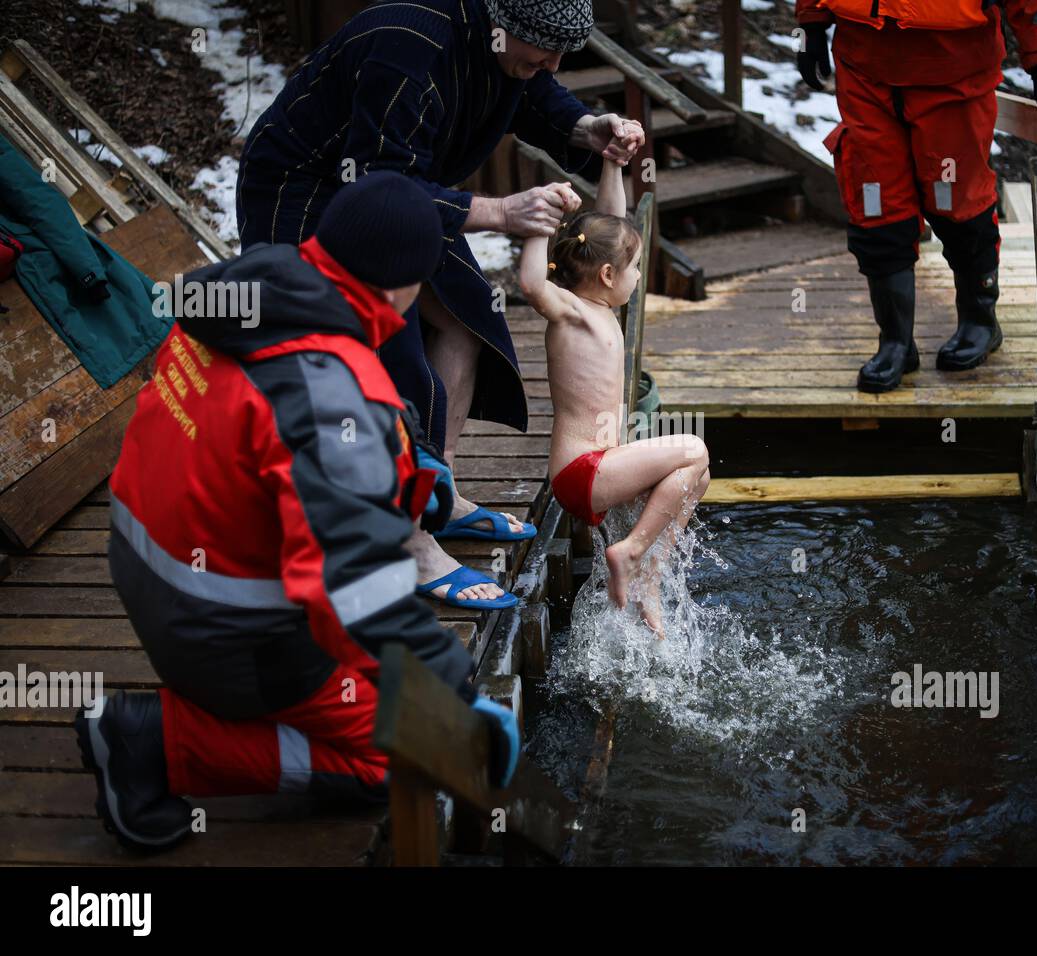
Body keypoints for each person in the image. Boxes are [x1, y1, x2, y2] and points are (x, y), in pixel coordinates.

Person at [76, 174, 519, 851]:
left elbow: (262, 440)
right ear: (405, 289)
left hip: (151, 572)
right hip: (228, 631)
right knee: (406, 750)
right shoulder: (336, 389)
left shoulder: (250, 295)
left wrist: (394, 456)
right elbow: (354, 586)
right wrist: (448, 683)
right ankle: (152, 742)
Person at [237, 0, 643, 609]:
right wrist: (502, 213)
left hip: (390, 199)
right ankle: (410, 542)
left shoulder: (502, 47)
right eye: (545, 51)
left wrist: (587, 129)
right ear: (506, 29)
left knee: (469, 314)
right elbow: (377, 182)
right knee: (398, 360)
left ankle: (438, 493)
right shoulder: (410, 47)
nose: (553, 64)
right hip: (306, 199)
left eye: (562, 55)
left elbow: (533, 94)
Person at [795, 0, 1037, 392]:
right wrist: (810, 25)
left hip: (955, 70)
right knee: (875, 201)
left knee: (958, 202)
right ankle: (895, 342)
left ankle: (979, 324)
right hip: (864, 67)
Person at [518, 148, 711, 636]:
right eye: (637, 267)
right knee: (694, 448)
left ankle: (648, 574)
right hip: (579, 472)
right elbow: (529, 283)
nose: (640, 275)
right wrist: (540, 223)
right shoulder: (573, 312)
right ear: (608, 276)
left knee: (697, 477)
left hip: (602, 468)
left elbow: (612, 221)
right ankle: (631, 552)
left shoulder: (601, 305)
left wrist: (612, 164)